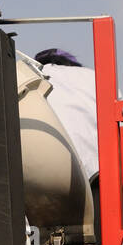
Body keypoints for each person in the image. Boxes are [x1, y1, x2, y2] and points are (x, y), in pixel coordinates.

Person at [31, 48, 99, 184]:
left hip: (34, 177)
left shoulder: (28, 78)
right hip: (94, 180)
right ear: (71, 65)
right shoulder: (94, 77)